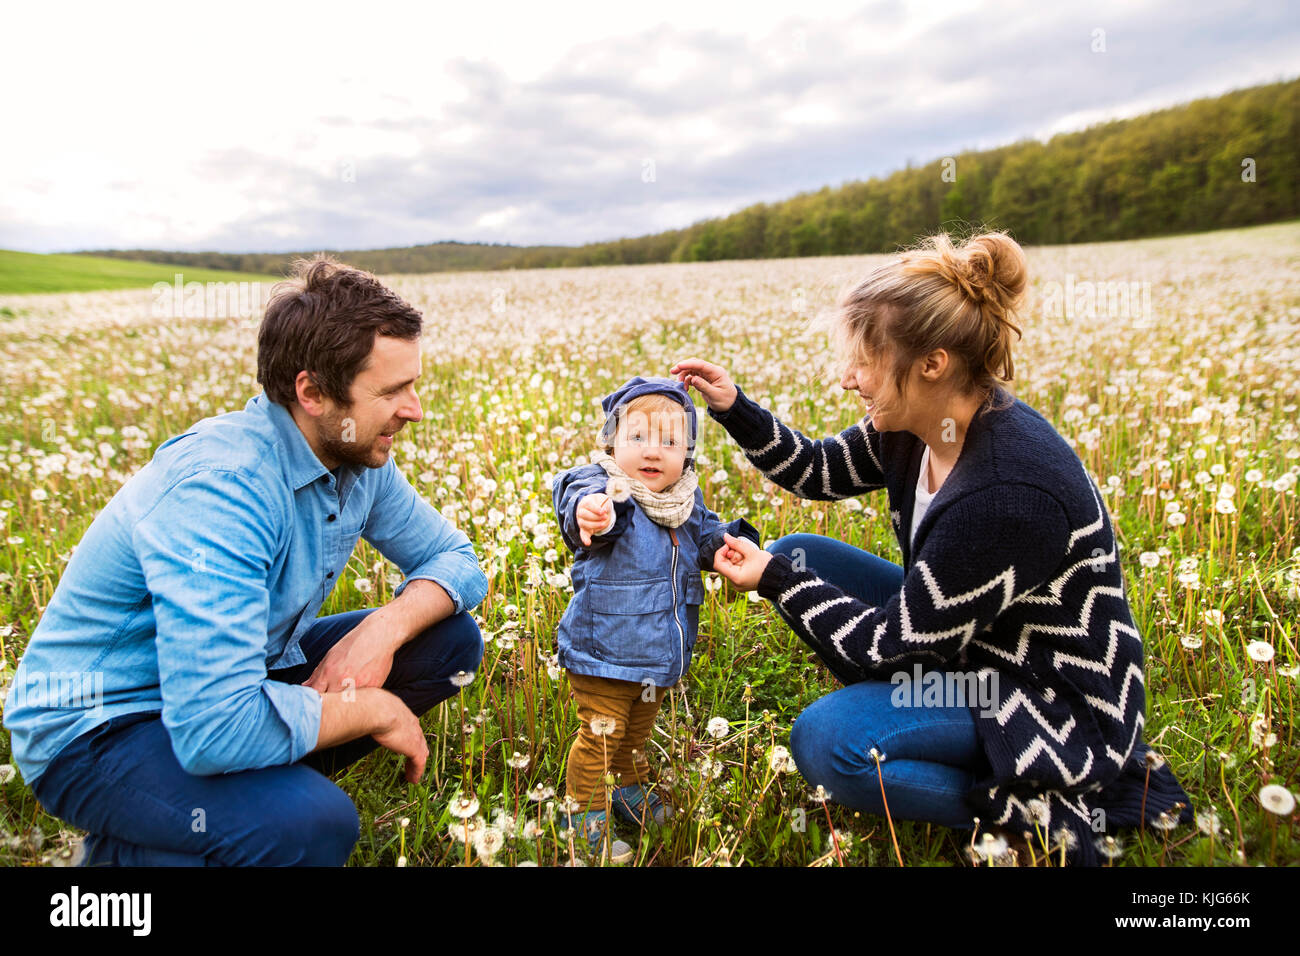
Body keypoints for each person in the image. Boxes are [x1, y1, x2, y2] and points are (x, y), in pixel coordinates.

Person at [672, 231, 1193, 866]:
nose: (848, 378)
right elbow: (815, 470)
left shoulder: (1002, 491)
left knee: (828, 742)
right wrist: (735, 408)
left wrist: (778, 580)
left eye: (866, 358)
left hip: (1045, 692)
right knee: (806, 550)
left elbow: (887, 651)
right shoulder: (922, 424)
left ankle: (1033, 810)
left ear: (932, 363)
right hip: (975, 640)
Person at [2, 256, 488, 866]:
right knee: (313, 826)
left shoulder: (357, 459)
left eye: (412, 384)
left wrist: (382, 630)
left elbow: (458, 560)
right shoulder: (222, 490)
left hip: (230, 685)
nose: (414, 409)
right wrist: (367, 707)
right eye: (391, 391)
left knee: (447, 639)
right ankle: (137, 853)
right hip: (104, 723)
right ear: (311, 393)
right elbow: (213, 724)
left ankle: (229, 804)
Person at [551, 376, 758, 862]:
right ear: (611, 440)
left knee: (637, 731)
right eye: (638, 437)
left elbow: (704, 538)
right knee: (601, 736)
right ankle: (582, 815)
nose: (653, 451)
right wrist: (590, 516)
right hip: (602, 650)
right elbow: (581, 511)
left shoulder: (685, 499)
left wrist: (729, 544)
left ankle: (629, 789)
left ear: (686, 453)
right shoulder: (600, 487)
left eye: (670, 441)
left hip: (660, 651)